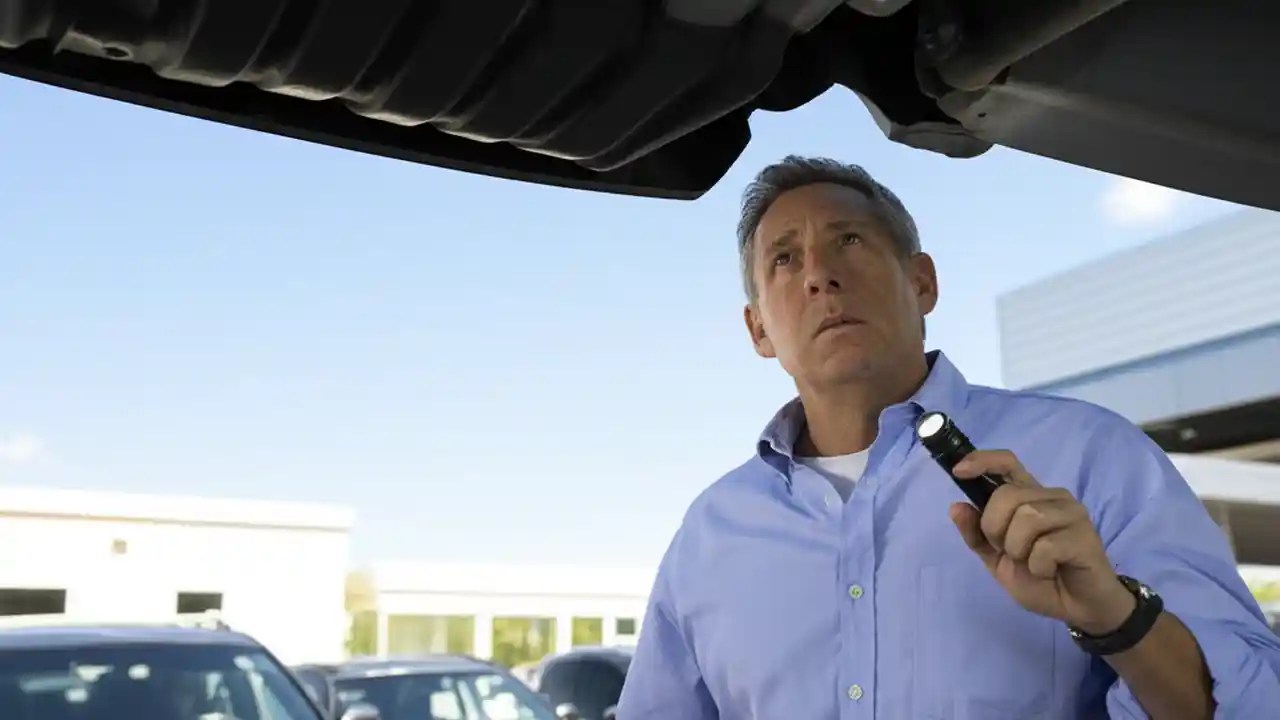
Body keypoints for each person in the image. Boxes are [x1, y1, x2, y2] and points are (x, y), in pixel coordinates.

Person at [615, 156, 1280, 719]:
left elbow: (1254, 701)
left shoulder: (1089, 457)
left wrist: (1116, 616)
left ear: (922, 281)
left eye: (847, 240)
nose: (819, 274)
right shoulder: (709, 534)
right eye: (785, 260)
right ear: (759, 330)